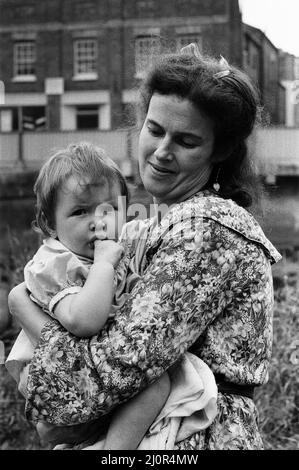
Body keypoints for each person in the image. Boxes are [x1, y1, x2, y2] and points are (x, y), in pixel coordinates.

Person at [8, 43, 281, 450]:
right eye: (155, 130)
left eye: (186, 141)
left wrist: (22, 306)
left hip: (198, 436)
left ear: (220, 150)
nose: (162, 152)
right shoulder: (162, 222)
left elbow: (118, 365)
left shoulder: (207, 229)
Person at [7, 140, 217, 450]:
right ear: (49, 226)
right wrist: (104, 265)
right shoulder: (54, 264)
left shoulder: (118, 243)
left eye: (110, 209)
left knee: (159, 379)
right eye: (80, 212)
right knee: (154, 384)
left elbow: (156, 230)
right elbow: (84, 322)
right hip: (63, 375)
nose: (99, 222)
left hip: (99, 370)